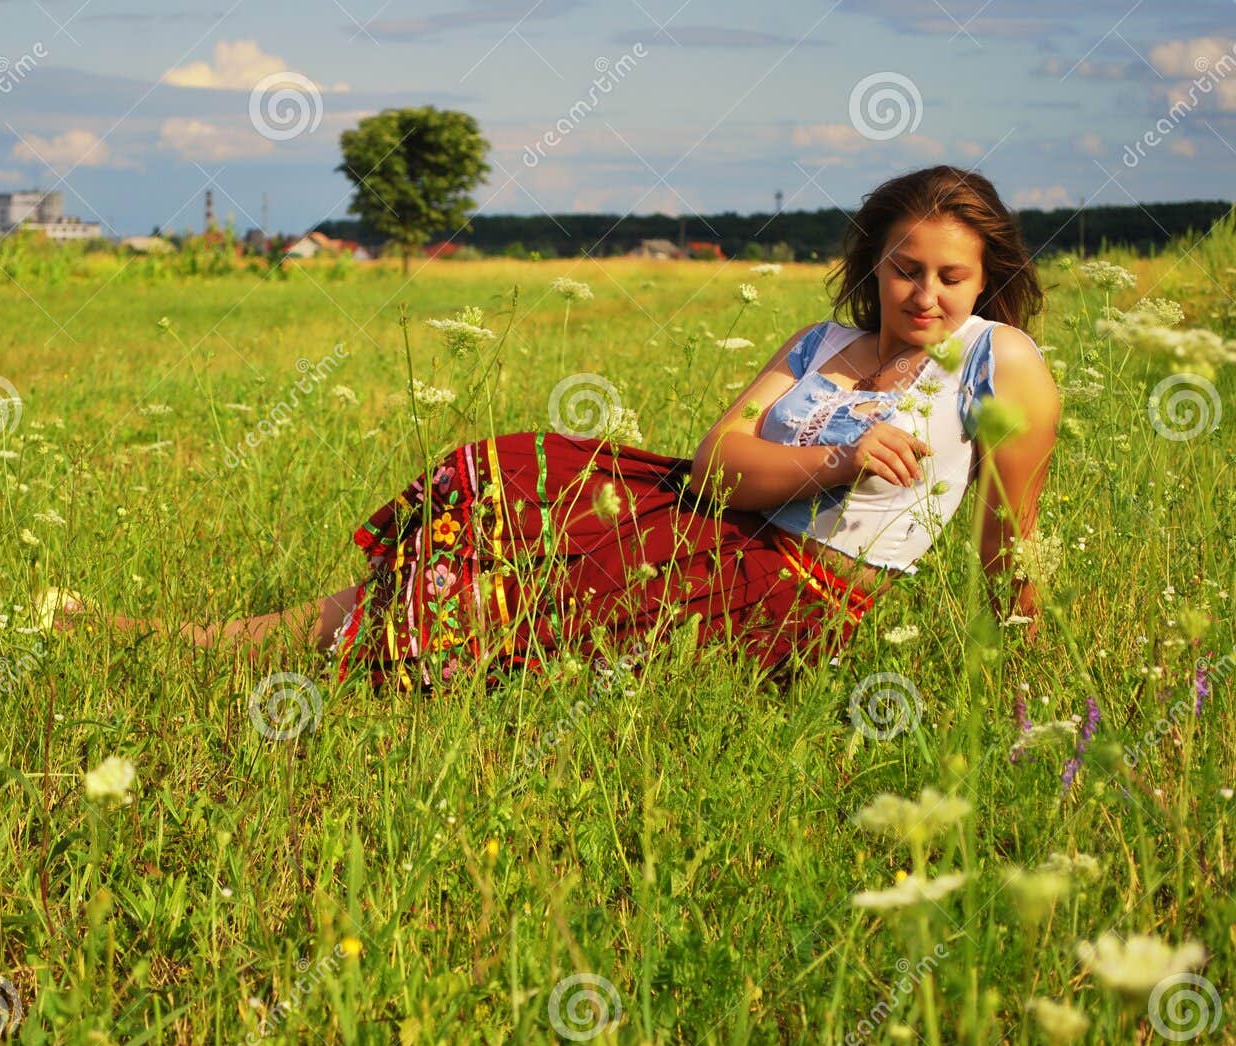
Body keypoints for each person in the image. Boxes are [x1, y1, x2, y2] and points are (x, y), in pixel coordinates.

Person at [56, 164, 1060, 693]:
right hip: (715, 520)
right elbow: (717, 460)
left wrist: (1015, 672)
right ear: (874, 262)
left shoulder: (997, 360)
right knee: (512, 485)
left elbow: (1006, 536)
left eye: (950, 275)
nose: (923, 293)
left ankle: (204, 648)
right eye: (904, 268)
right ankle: (210, 644)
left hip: (798, 589)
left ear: (986, 279)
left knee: (525, 590)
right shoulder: (819, 342)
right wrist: (834, 458)